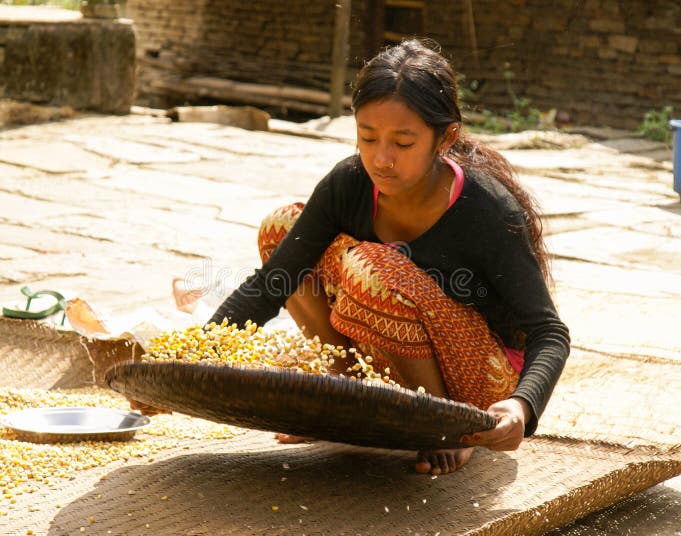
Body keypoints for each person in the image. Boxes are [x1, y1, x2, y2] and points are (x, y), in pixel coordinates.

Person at [167, 39, 570, 476]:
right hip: (394, 355)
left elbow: (548, 332)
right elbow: (272, 284)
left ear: (445, 137)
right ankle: (347, 402)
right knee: (281, 227)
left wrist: (521, 406)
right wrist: (188, 365)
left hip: (478, 383)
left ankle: (444, 425)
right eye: (367, 137)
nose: (381, 159)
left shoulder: (485, 208)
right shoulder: (350, 183)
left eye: (403, 142)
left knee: (371, 269)